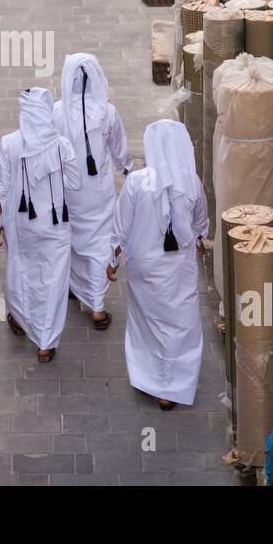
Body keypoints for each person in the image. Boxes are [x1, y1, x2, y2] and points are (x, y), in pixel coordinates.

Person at [107, 119, 208, 410]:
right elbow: (201, 224)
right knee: (180, 323)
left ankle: (153, 379)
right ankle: (174, 384)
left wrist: (112, 260)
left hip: (145, 269)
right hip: (179, 270)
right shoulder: (191, 181)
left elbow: (120, 228)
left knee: (149, 322)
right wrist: (200, 242)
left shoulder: (136, 181)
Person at [0, 88, 82, 361]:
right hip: (54, 225)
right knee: (53, 281)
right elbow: (75, 183)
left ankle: (20, 320)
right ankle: (46, 342)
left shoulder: (9, 143)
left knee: (21, 272)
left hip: (20, 224)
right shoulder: (62, 145)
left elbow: (0, 191)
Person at [54, 53, 131, 330]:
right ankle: (97, 306)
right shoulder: (107, 111)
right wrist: (128, 169)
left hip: (68, 191)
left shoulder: (56, 111)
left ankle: (75, 287)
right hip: (98, 191)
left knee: (72, 237)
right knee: (100, 244)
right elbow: (119, 149)